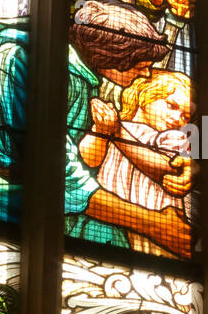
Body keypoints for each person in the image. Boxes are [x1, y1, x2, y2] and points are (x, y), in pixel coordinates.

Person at [0, 2, 191, 256]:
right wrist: (153, 223)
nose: (146, 76)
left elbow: (92, 150)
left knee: (111, 242)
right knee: (107, 249)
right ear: (112, 57)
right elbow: (60, 176)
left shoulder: (85, 75)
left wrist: (178, 166)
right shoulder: (21, 62)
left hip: (36, 195)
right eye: (140, 67)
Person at [82, 70, 193, 256]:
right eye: (171, 106)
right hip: (114, 217)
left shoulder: (174, 138)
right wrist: (101, 131)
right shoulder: (114, 124)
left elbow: (169, 171)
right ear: (145, 95)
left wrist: (117, 133)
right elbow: (89, 160)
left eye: (185, 117)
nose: (177, 119)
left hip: (158, 219)